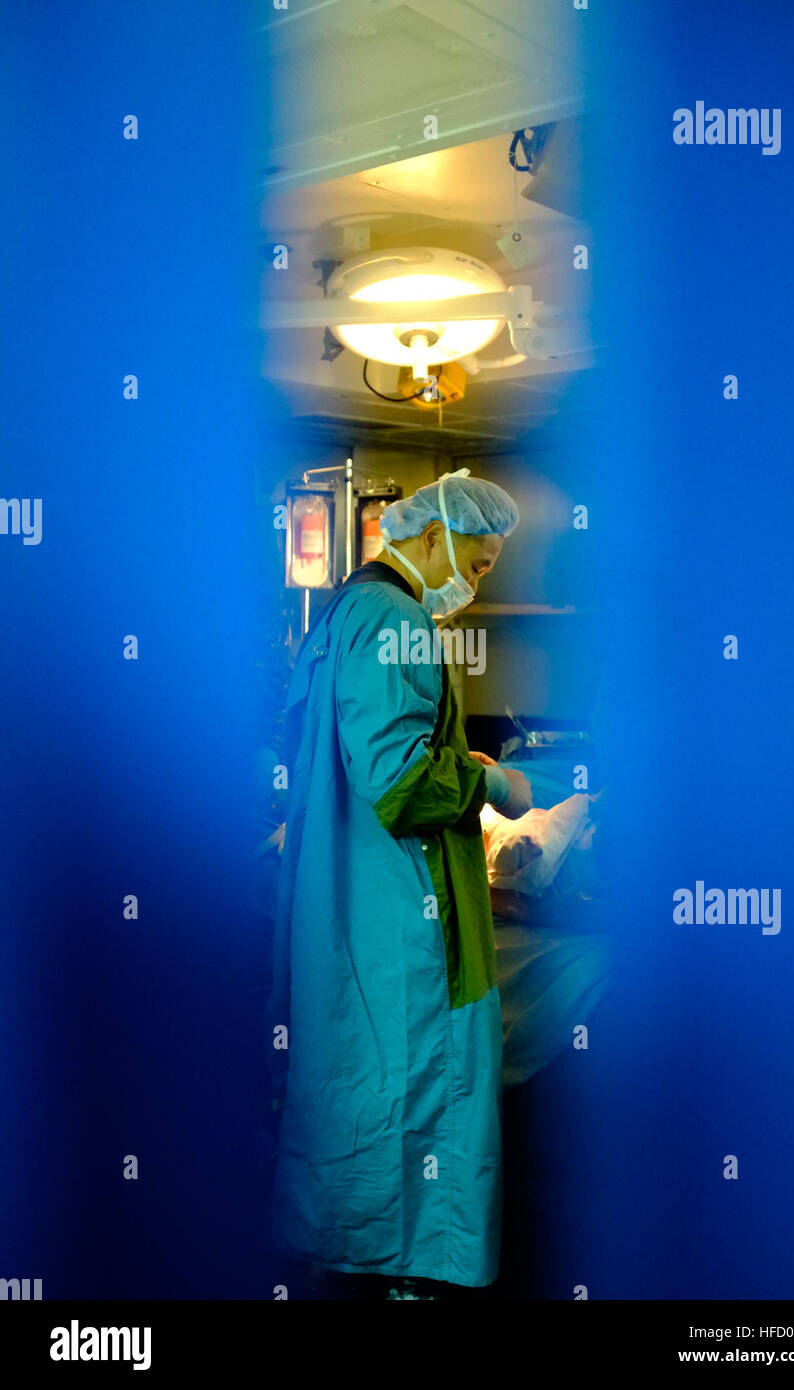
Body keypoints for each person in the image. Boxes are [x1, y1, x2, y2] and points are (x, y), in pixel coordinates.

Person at [265, 467, 530, 1298]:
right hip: (401, 917)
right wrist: (492, 786)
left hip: (350, 901)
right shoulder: (395, 616)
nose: (476, 582)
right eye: (479, 564)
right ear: (430, 535)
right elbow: (397, 781)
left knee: (353, 1083)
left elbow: (368, 749)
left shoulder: (348, 609)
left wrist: (458, 760)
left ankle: (362, 1261)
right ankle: (409, 1275)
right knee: (415, 1091)